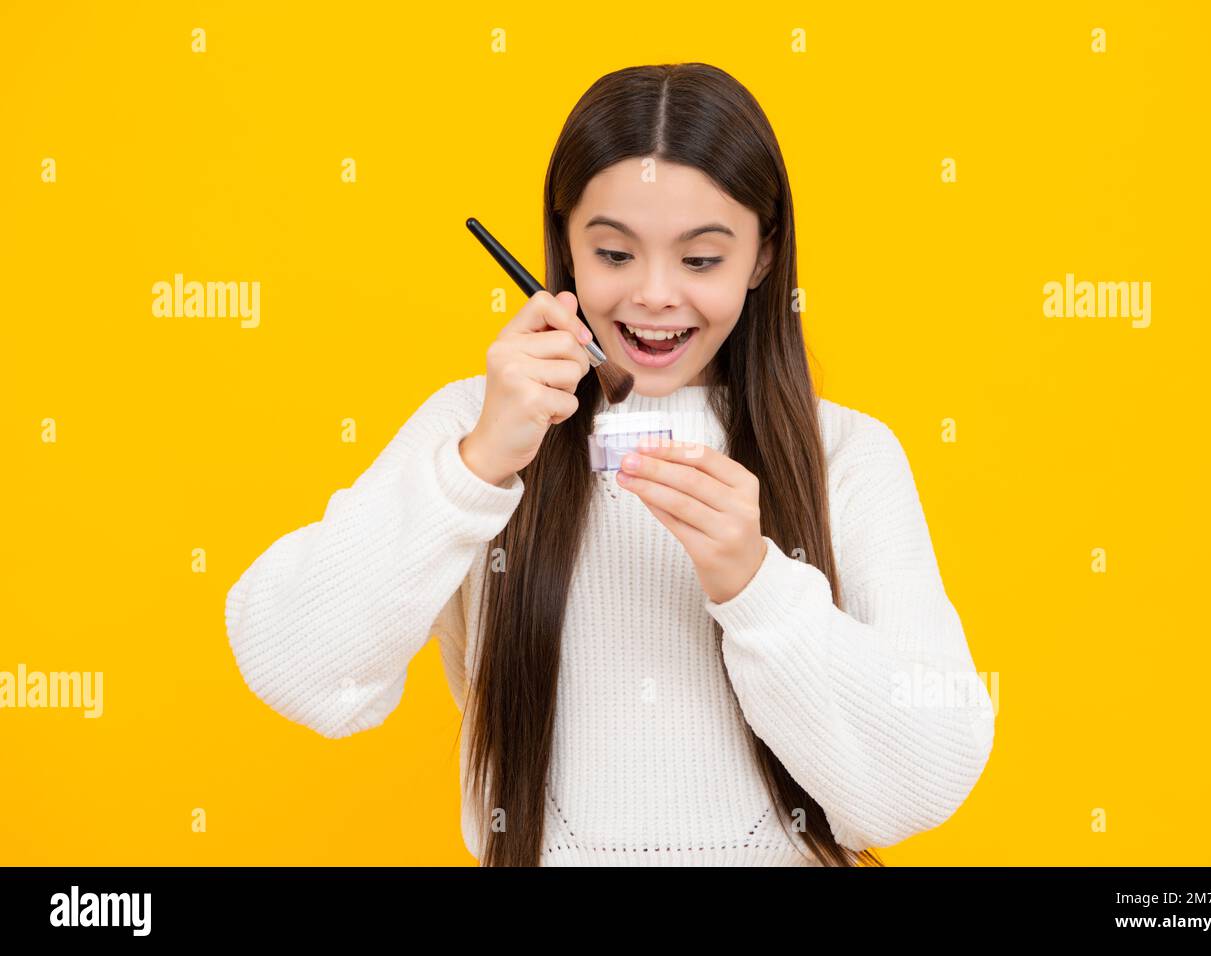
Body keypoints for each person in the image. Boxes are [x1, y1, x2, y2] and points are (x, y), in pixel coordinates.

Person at [225, 62, 995, 867]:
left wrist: (755, 584)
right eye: (614, 254)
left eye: (701, 261)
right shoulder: (476, 426)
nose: (655, 295)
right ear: (563, 244)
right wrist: (476, 466)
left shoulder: (845, 455)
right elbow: (296, 668)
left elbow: (925, 780)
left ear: (763, 257)